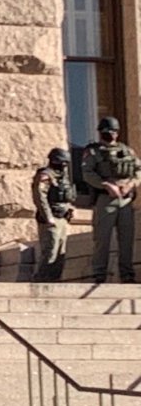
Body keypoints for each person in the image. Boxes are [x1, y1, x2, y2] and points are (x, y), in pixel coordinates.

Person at [80, 116, 137, 284]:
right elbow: (87, 173)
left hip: (126, 199)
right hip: (106, 199)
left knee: (127, 239)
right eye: (107, 133)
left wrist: (132, 184)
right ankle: (99, 275)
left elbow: (138, 170)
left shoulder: (127, 151)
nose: (110, 136)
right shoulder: (93, 152)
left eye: (113, 132)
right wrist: (105, 185)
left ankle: (127, 275)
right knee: (102, 239)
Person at [31, 147, 76, 282]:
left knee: (60, 253)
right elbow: (40, 196)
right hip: (51, 219)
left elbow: (67, 197)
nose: (64, 166)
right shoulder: (45, 175)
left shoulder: (63, 177)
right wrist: (48, 216)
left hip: (62, 217)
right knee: (50, 251)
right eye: (62, 163)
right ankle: (42, 279)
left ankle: (55, 280)